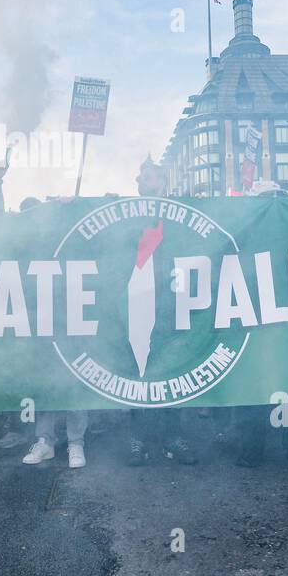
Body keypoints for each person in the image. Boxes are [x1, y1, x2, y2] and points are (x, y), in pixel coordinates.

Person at [126, 157, 188, 466]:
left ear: (162, 182)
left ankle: (173, 438)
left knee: (171, 371)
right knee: (138, 372)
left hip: (171, 301)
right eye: (141, 177)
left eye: (149, 177)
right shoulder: (124, 214)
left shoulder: (180, 212)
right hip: (136, 300)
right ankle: (138, 440)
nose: (143, 181)